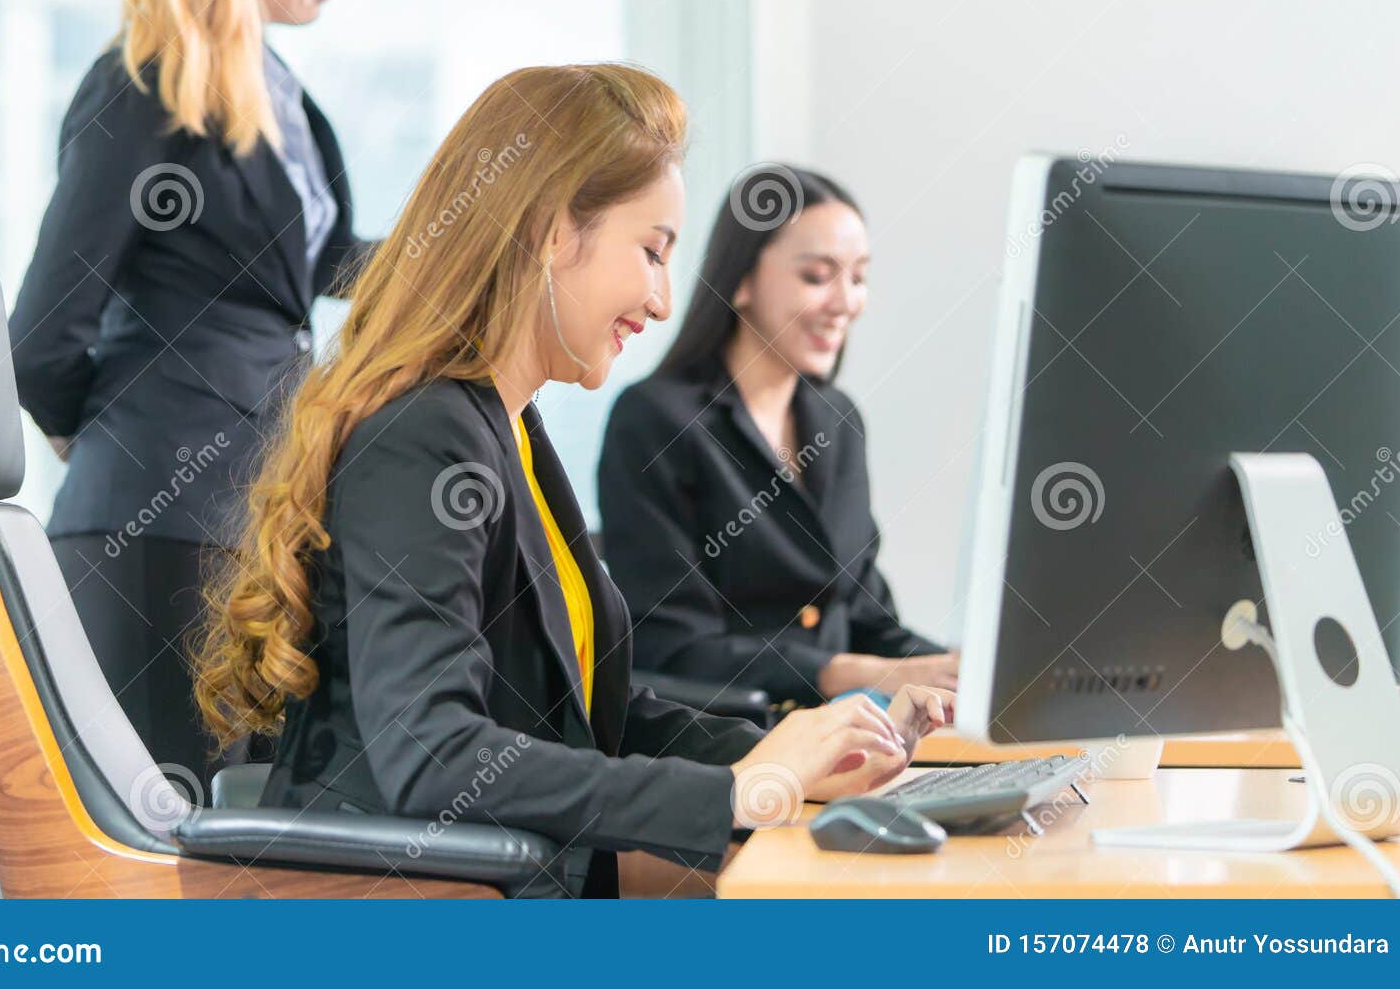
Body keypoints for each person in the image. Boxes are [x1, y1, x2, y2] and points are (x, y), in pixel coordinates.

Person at [191, 66, 954, 897]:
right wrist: (736, 792)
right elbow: (433, 752)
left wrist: (792, 747)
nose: (663, 300)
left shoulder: (507, 426)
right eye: (652, 252)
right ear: (555, 232)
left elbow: (592, 715)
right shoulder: (426, 436)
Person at [8, 0, 369, 784]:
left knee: (237, 835)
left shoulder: (273, 89)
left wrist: (482, 250)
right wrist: (114, 435)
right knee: (173, 851)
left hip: (244, 513)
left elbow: (319, 260)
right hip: (155, 527)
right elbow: (41, 334)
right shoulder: (144, 86)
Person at [597, 165, 958, 712]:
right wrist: (846, 673)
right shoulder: (656, 420)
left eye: (858, 278)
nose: (846, 302)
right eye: (817, 276)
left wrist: (967, 672)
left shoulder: (838, 421)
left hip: (853, 737)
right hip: (737, 746)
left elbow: (867, 620)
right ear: (741, 280)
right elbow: (669, 647)